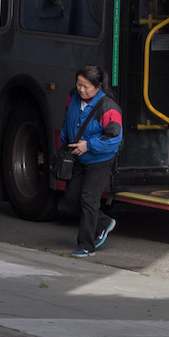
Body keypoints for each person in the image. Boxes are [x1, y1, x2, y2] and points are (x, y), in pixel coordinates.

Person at [58, 65, 123, 257]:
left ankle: (86, 245)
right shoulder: (73, 97)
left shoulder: (109, 107)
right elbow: (68, 120)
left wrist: (89, 145)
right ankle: (103, 223)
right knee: (71, 197)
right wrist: (66, 139)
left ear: (98, 86)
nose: (81, 90)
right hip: (78, 156)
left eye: (86, 86)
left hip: (99, 160)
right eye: (79, 84)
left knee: (88, 199)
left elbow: (113, 138)